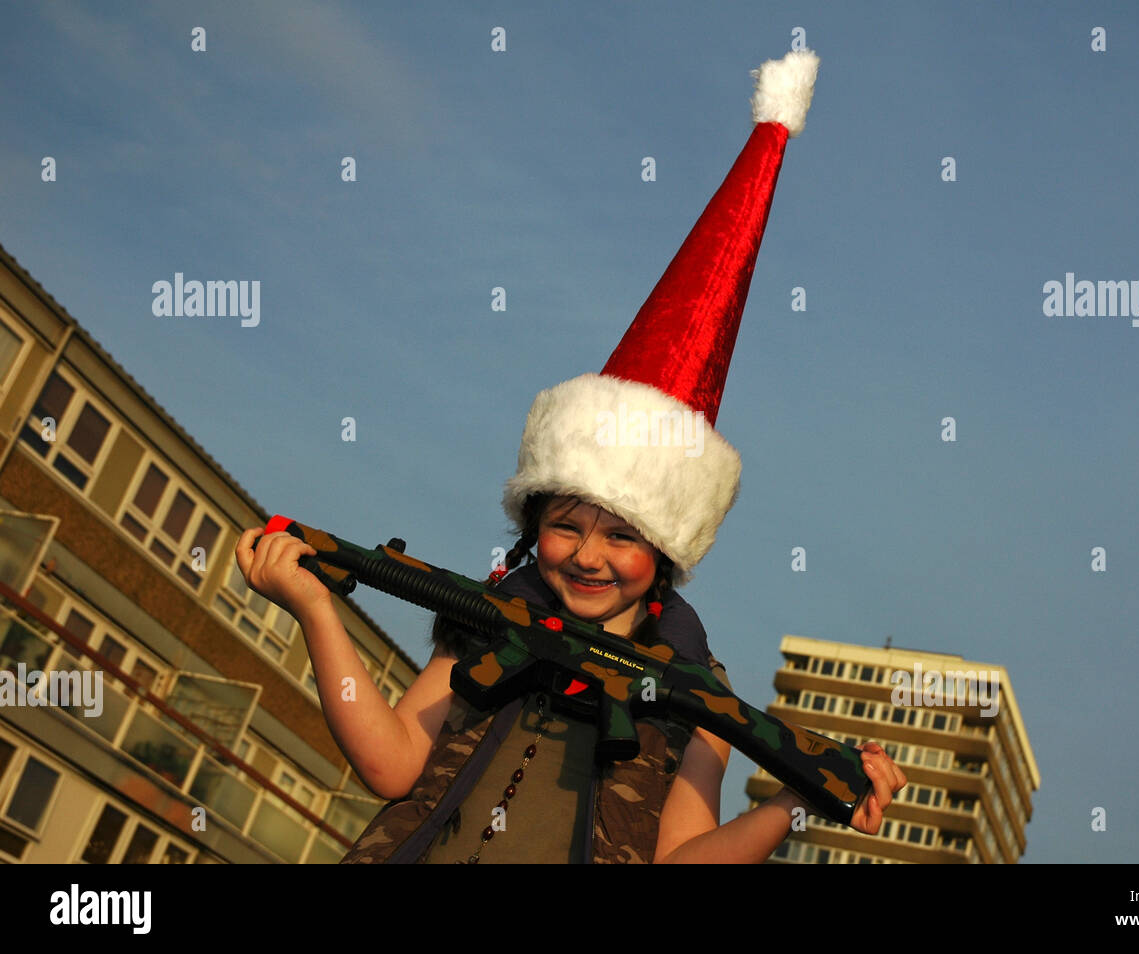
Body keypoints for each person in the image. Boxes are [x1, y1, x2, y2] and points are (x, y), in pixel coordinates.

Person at [235, 48, 907, 862]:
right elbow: (392, 764)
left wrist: (801, 804)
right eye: (566, 526)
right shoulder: (492, 624)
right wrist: (316, 608)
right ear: (531, 525)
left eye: (621, 535)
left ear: (664, 549)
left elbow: (679, 859)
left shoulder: (701, 694)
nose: (588, 556)